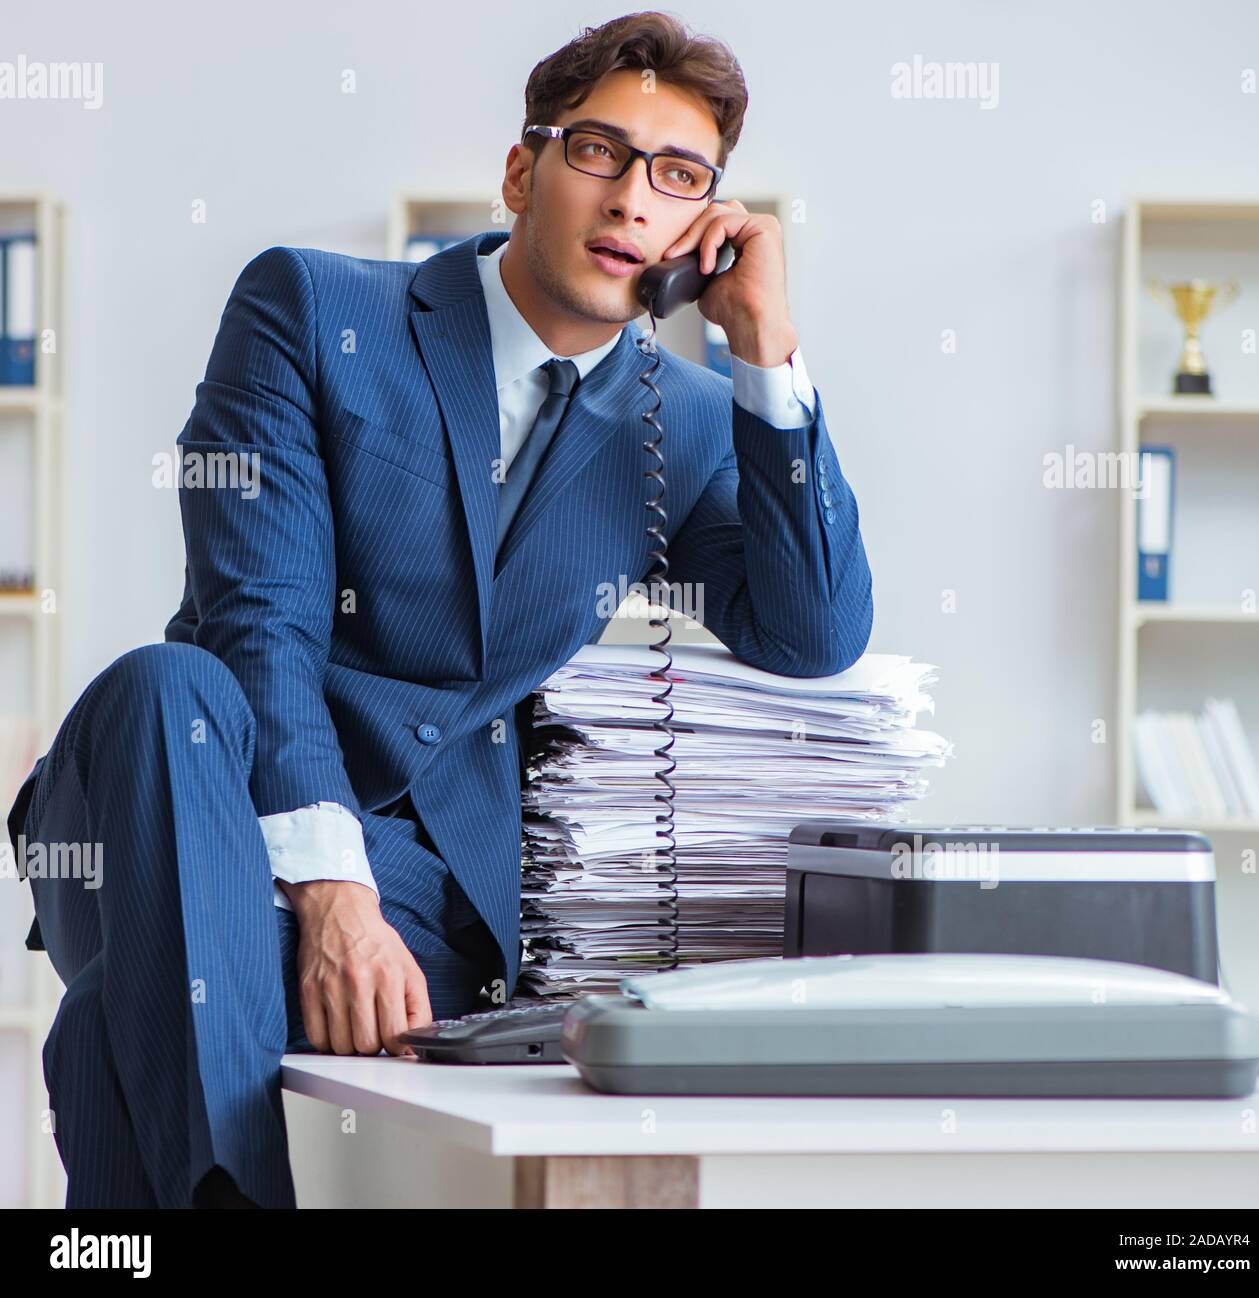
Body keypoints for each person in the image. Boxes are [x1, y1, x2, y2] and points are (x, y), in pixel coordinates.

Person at [6, 10, 873, 1209]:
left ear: (701, 228)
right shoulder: (313, 309)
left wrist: (766, 355)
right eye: (597, 153)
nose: (630, 199)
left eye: (676, 178)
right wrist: (330, 892)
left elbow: (813, 631)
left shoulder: (688, 415)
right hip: (184, 792)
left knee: (126, 1006)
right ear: (521, 169)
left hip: (426, 883)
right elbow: (260, 619)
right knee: (170, 683)